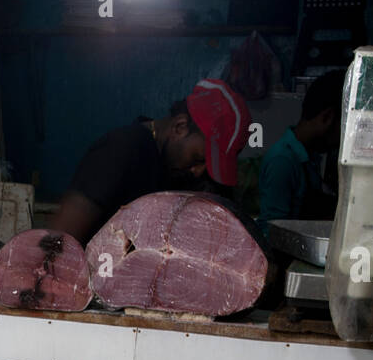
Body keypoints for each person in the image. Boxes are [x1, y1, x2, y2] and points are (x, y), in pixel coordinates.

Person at [50, 78, 252, 245]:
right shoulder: (121, 150)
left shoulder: (169, 166)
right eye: (199, 159)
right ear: (180, 127)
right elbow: (61, 235)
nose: (198, 171)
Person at [256, 68, 346, 243]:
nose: (343, 139)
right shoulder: (282, 160)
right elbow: (272, 231)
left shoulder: (307, 157)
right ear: (327, 117)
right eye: (343, 128)